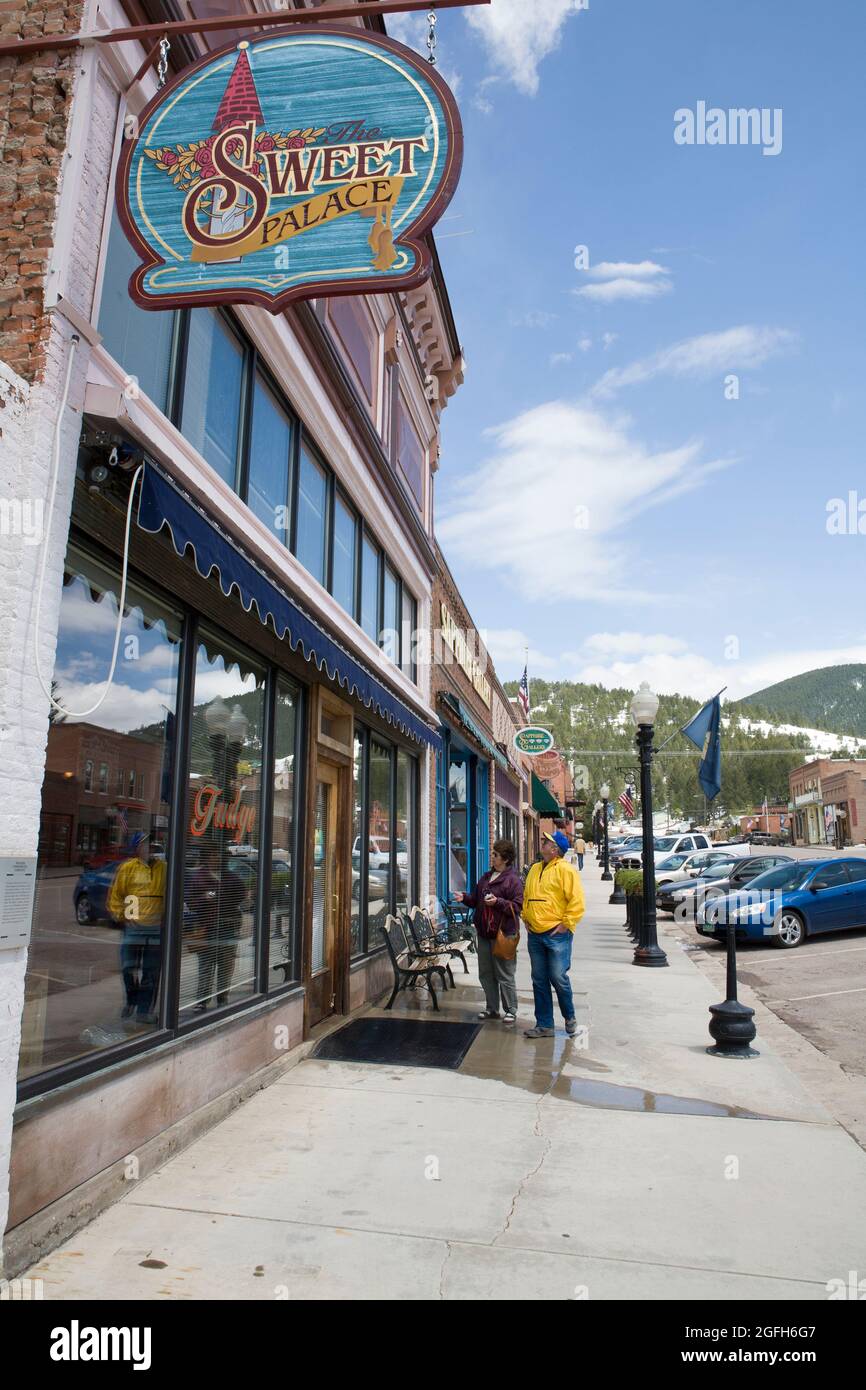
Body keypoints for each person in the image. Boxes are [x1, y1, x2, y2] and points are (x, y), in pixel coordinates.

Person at [521, 830, 585, 1038]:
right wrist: (525, 917)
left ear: (555, 849)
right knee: (539, 980)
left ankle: (569, 1017)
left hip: (557, 933)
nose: (542, 843)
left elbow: (577, 901)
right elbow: (527, 895)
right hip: (535, 933)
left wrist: (566, 924)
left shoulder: (566, 870)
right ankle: (544, 1024)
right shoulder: (535, 868)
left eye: (546, 841)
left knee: (558, 977)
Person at [453, 838, 523, 1023]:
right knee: (486, 973)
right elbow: (476, 900)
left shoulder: (513, 880)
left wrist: (498, 902)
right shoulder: (486, 877)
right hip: (484, 933)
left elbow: (517, 907)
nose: (492, 857)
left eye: (496, 855)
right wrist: (465, 898)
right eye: (493, 853)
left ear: (505, 859)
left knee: (504, 973)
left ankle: (511, 1009)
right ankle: (492, 1008)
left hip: (503, 934)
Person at [107, 830, 165, 1025]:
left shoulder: (163, 868)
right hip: (133, 928)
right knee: (128, 968)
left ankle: (144, 1009)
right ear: (137, 848)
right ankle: (132, 1000)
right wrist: (122, 917)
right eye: (145, 845)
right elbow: (116, 896)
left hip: (156, 929)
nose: (150, 848)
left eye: (151, 845)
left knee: (151, 971)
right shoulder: (128, 868)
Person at [186, 842, 245, 1012]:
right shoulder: (199, 877)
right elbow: (191, 902)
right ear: (205, 857)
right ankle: (202, 1000)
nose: (215, 857)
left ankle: (222, 998)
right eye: (212, 854)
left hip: (227, 926)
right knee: (205, 965)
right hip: (207, 927)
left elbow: (241, 894)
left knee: (225, 966)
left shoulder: (230, 877)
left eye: (218, 854)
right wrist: (206, 897)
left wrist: (224, 899)